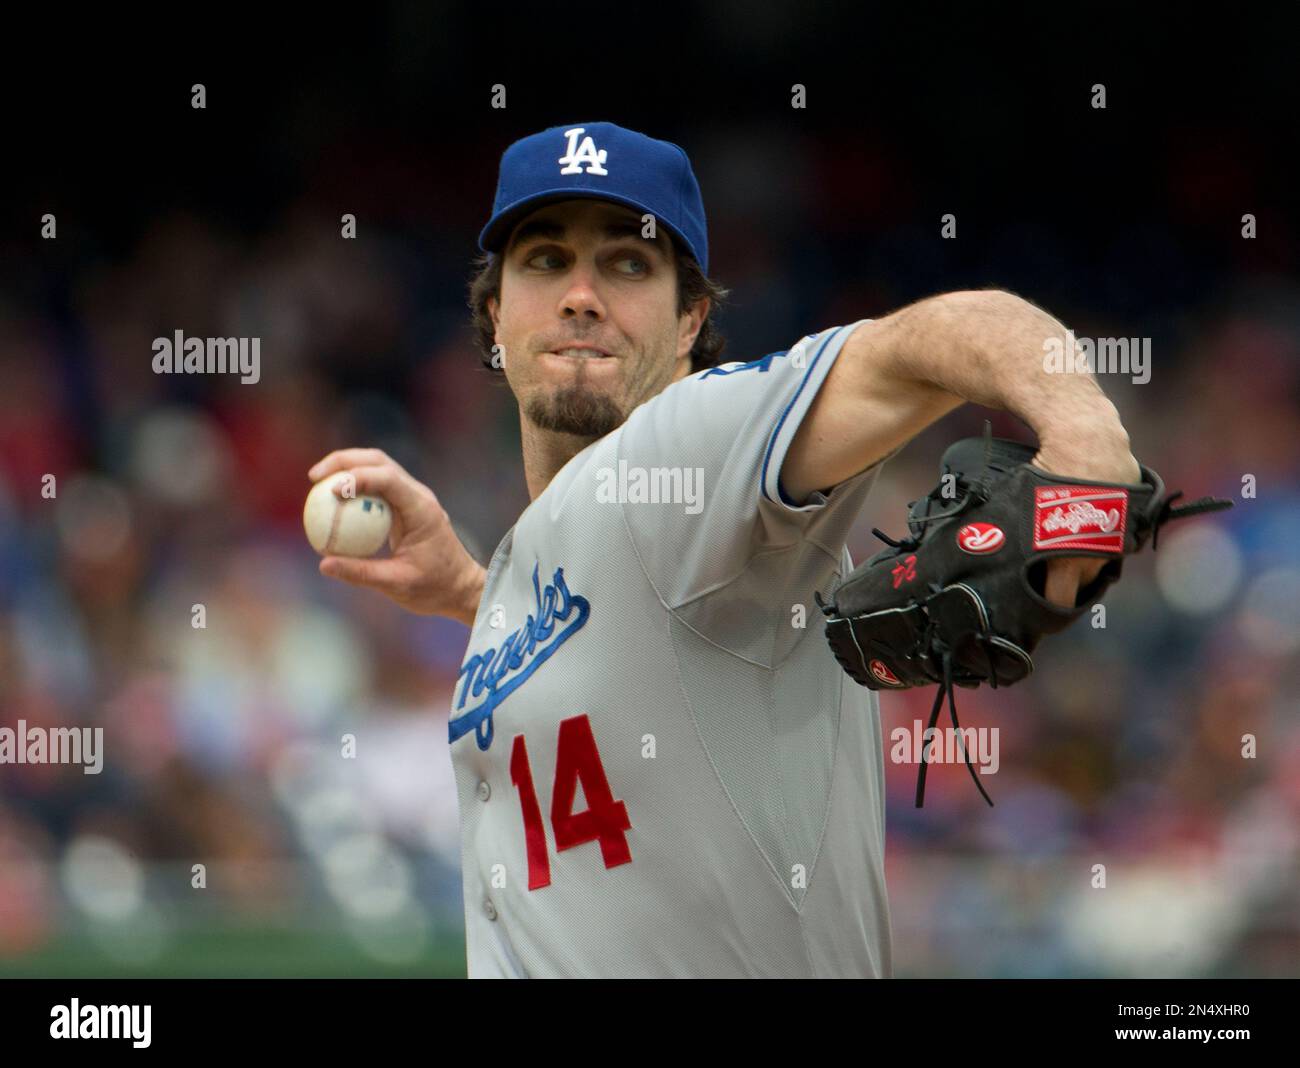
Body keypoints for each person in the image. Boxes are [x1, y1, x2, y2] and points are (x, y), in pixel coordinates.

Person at [307, 121, 1140, 978]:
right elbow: (637, 642)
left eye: (628, 263)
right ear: (494, 316)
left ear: (688, 321)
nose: (581, 294)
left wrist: (1084, 429)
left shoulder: (686, 443)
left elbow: (944, 332)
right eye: (547, 260)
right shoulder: (550, 561)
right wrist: (472, 593)